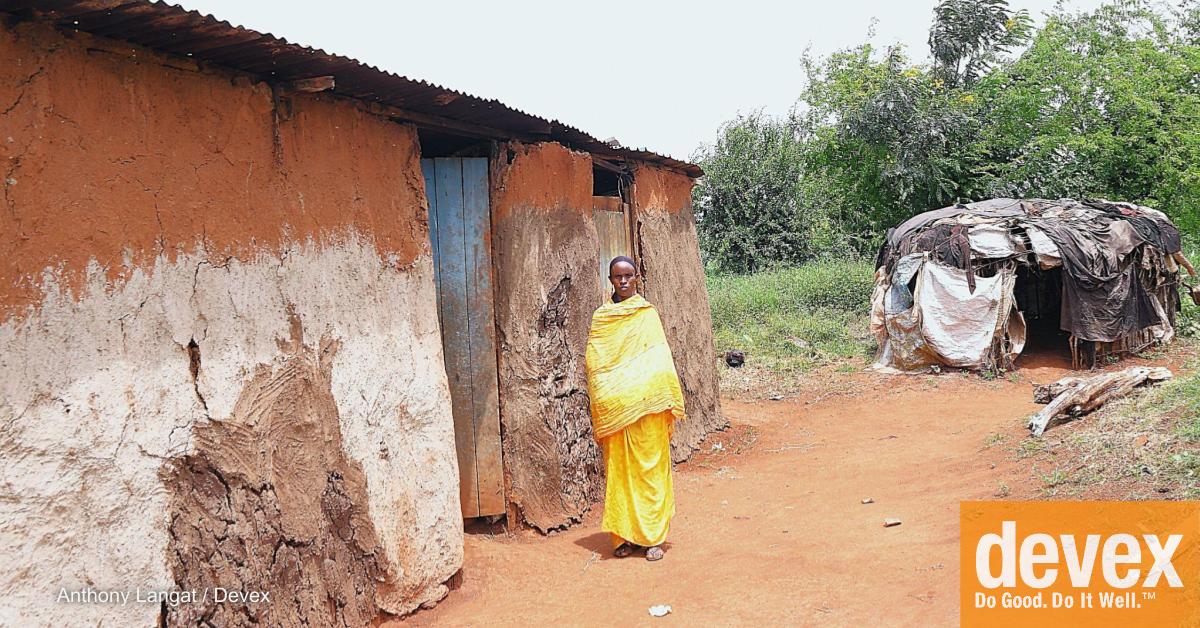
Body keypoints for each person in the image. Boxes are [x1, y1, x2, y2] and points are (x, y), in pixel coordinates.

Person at [584, 255, 685, 562]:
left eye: (628, 275)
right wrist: (608, 395)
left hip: (649, 408)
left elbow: (659, 357)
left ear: (637, 278)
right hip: (618, 412)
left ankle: (654, 537)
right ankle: (623, 537)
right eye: (618, 277)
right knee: (620, 474)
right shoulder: (602, 319)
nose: (624, 281)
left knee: (651, 470)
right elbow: (595, 363)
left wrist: (660, 394)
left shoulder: (646, 314)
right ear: (610, 281)